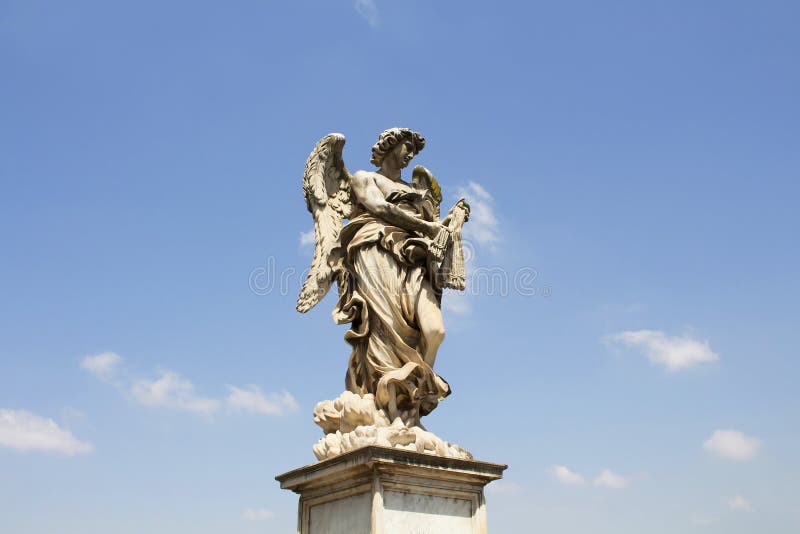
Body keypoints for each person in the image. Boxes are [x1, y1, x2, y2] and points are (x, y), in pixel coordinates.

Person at [331, 128, 451, 426]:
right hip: (375, 251)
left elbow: (433, 226)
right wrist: (428, 228)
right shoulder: (364, 177)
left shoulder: (414, 189)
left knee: (434, 330)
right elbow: (379, 207)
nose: (410, 154)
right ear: (389, 147)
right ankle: (390, 401)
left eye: (413, 150)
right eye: (406, 147)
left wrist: (448, 226)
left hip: (412, 259)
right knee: (382, 328)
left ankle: (420, 387)